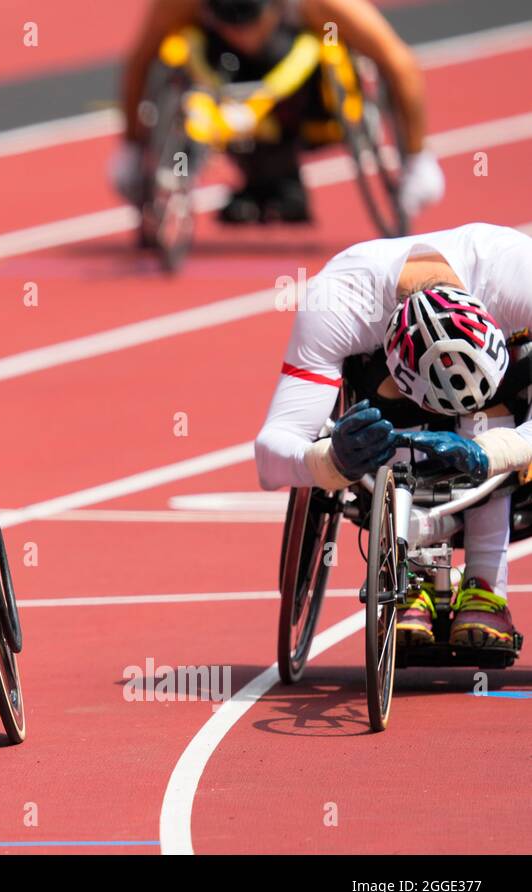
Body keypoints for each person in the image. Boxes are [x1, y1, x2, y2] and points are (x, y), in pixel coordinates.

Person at [255, 223, 532, 649]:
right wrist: (330, 461)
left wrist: (491, 451)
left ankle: (485, 583)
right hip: (384, 384)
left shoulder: (518, 278)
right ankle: (410, 571)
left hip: (507, 386)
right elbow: (271, 458)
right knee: (374, 390)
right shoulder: (340, 302)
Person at [111, 0, 444, 224]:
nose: (241, 35)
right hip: (222, 90)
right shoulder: (183, 5)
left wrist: (417, 158)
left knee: (327, 54)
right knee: (181, 50)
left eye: (249, 24)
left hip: (307, 106)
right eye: (230, 25)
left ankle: (279, 177)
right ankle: (236, 170)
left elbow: (400, 63)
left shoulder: (320, 5)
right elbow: (140, 62)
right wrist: (131, 145)